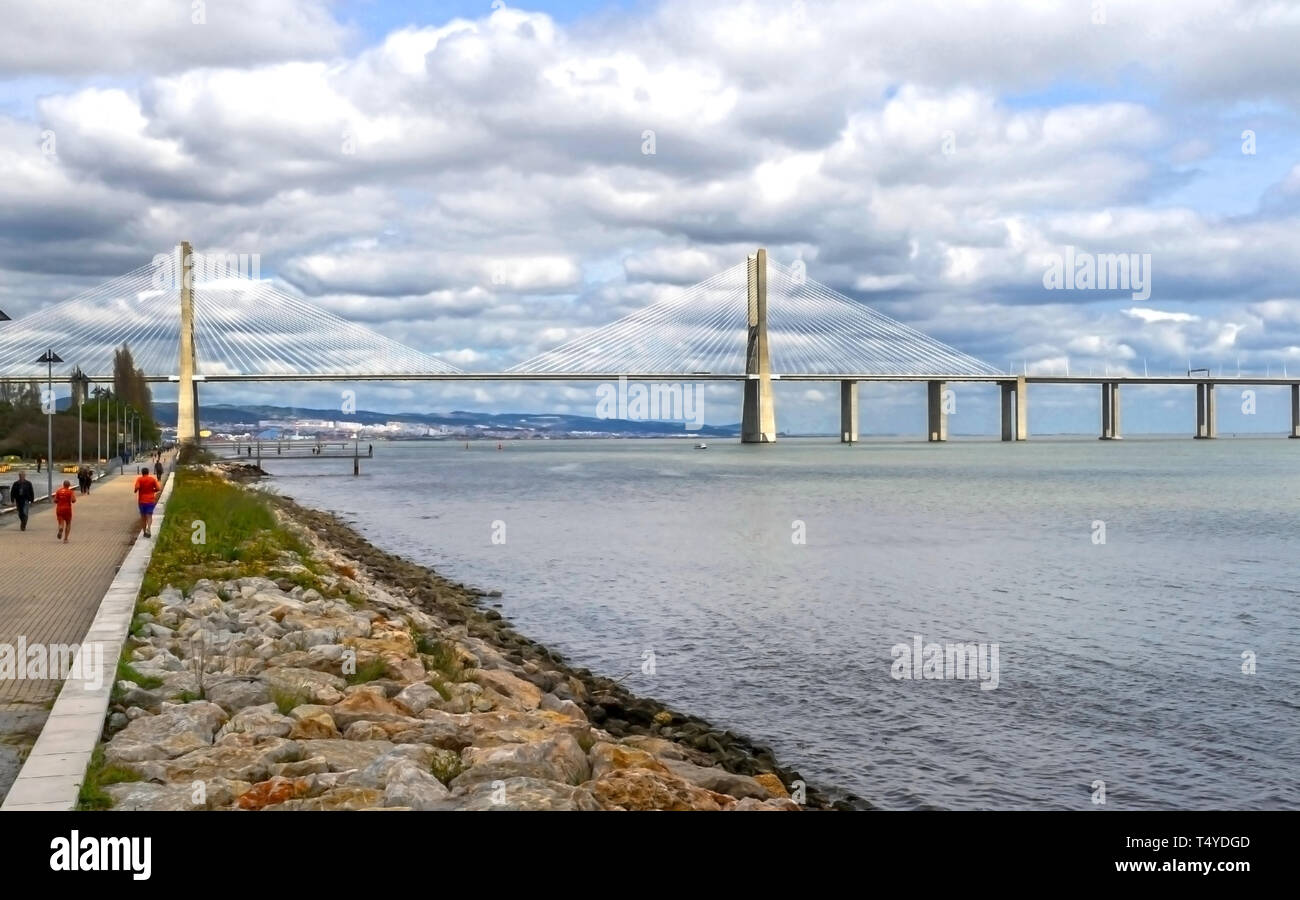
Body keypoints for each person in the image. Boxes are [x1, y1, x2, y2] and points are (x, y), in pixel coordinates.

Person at [134, 466, 161, 538]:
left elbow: (137, 487)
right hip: (150, 500)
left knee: (143, 517)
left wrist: (136, 490)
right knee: (149, 516)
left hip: (142, 501)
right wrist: (153, 490)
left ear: (142, 473)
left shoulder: (139, 479)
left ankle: (144, 532)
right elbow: (158, 488)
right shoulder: (152, 479)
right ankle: (149, 528)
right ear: (148, 473)